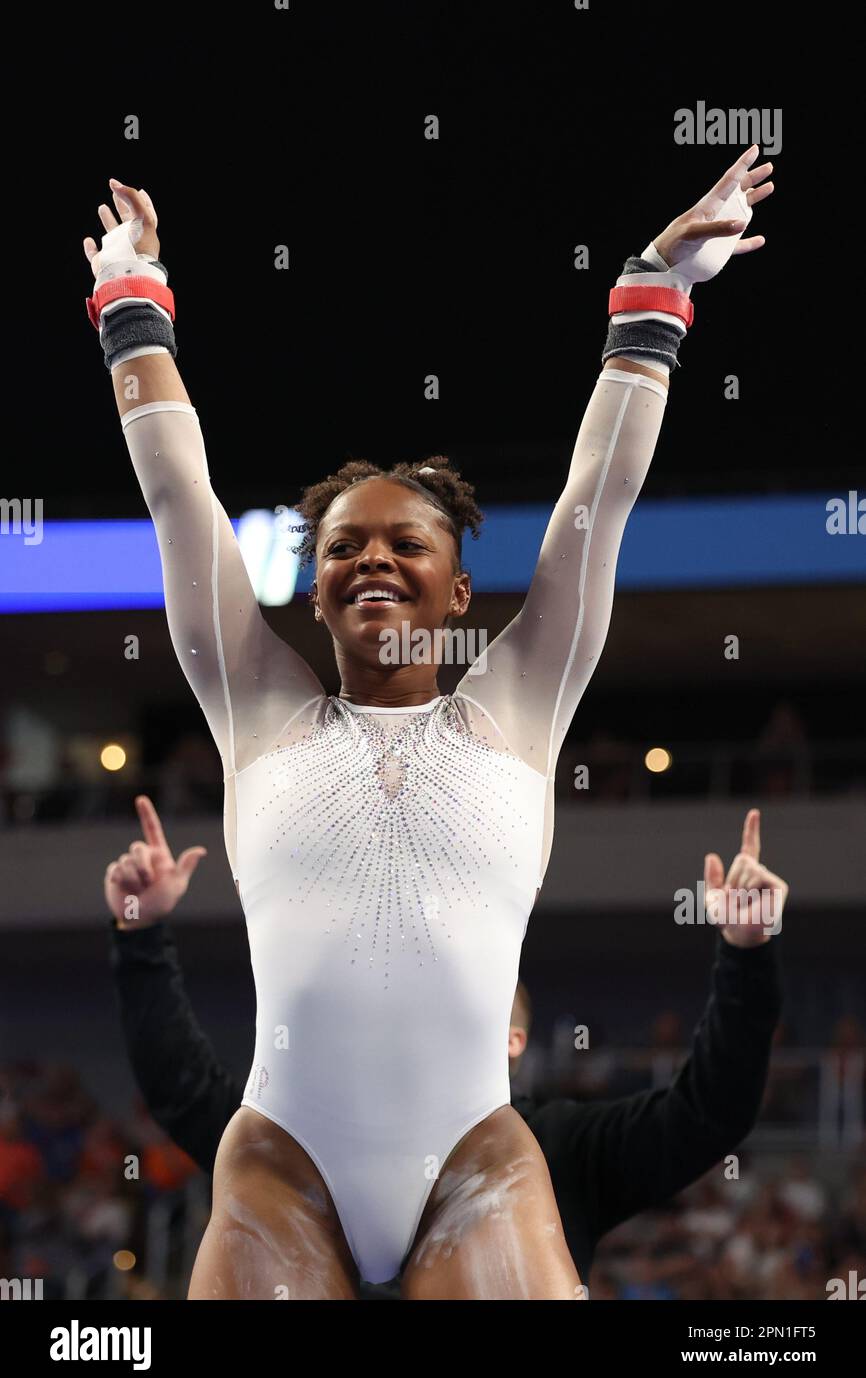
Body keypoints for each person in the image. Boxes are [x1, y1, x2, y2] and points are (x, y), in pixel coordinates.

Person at [83, 146, 774, 1298]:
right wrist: (129, 302)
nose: (370, 560)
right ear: (311, 590)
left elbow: (592, 508)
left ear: (458, 592)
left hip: (475, 1157)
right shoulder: (258, 714)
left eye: (407, 544)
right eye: (342, 545)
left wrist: (656, 293)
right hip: (281, 1162)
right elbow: (175, 496)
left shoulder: (516, 704)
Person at [106, 799, 785, 1298]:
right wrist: (140, 935)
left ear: (513, 1040)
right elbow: (180, 1087)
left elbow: (710, 1115)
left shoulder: (564, 1148)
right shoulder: (294, 1131)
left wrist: (746, 958)